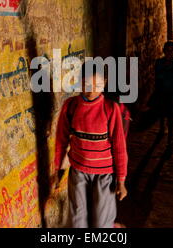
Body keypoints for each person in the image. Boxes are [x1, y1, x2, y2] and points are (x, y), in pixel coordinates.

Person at [54, 61, 128, 228]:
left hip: (105, 174)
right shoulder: (71, 106)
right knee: (77, 220)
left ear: (105, 83)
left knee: (101, 223)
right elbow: (61, 139)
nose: (92, 89)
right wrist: (58, 168)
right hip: (78, 171)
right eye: (87, 84)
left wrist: (121, 181)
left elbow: (119, 147)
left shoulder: (110, 109)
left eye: (98, 85)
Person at [151, 41, 173, 150]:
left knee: (171, 117)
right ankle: (161, 128)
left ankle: (170, 136)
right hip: (162, 92)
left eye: (172, 50)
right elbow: (158, 77)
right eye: (167, 50)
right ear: (164, 51)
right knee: (162, 113)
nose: (169, 53)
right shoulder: (159, 62)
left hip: (172, 94)